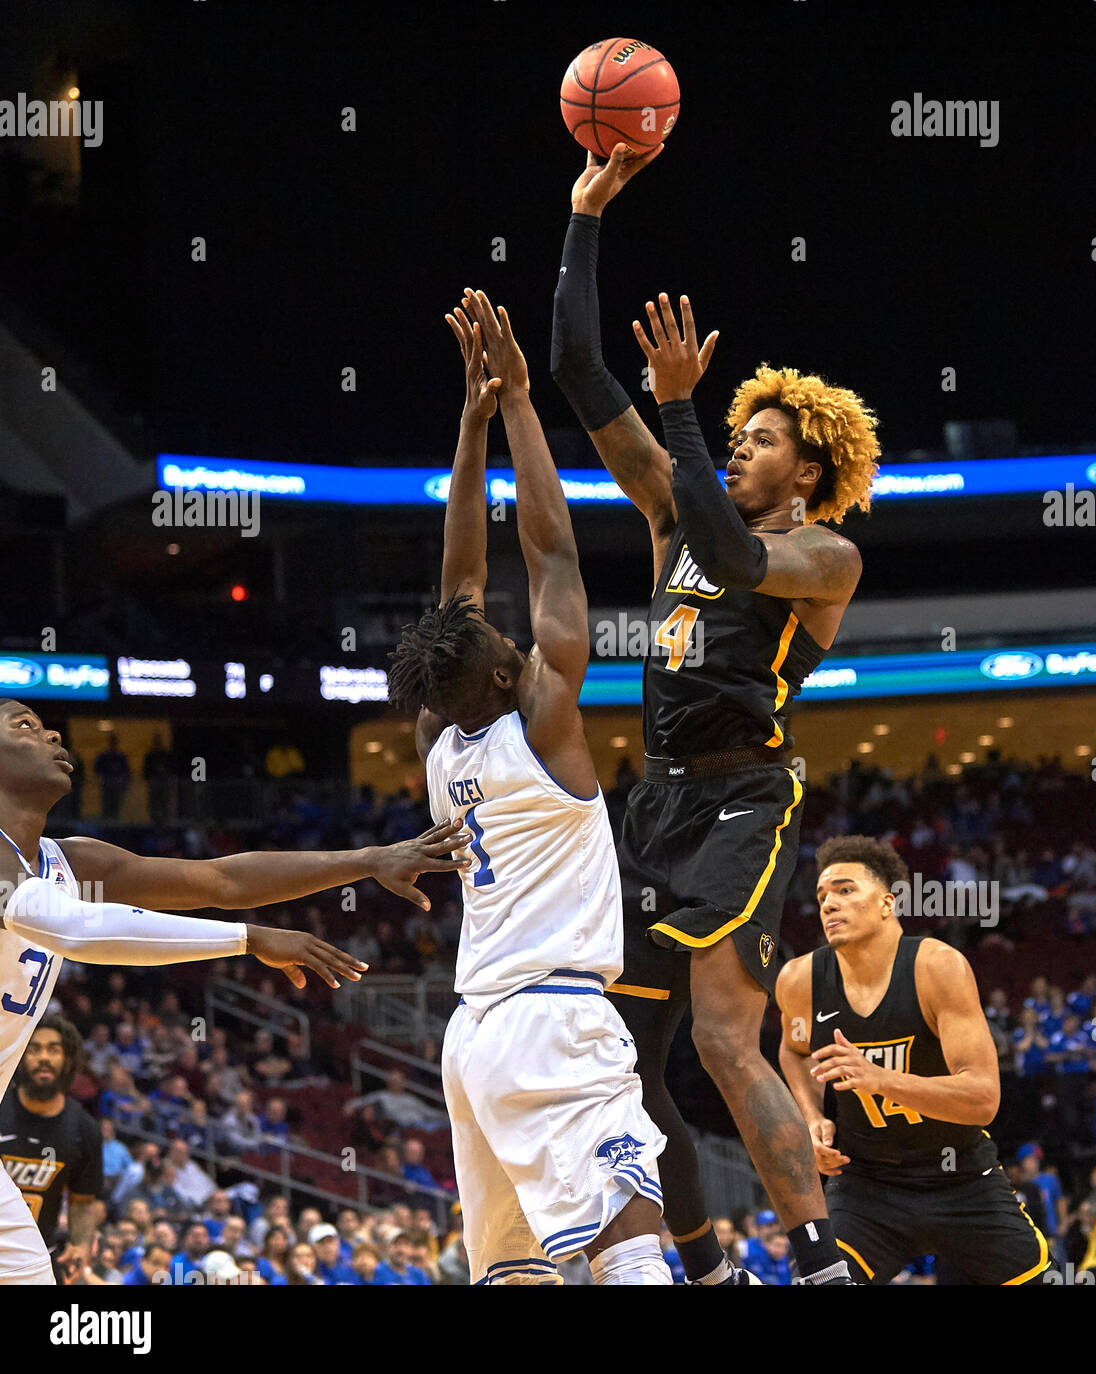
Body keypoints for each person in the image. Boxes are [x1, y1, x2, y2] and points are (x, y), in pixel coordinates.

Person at [552, 142, 880, 1288]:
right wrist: (586, 216)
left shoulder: (821, 554)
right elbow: (581, 368)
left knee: (719, 1036)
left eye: (763, 440)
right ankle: (700, 1267)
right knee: (617, 1062)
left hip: (746, 794)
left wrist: (685, 411)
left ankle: (820, 1259)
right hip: (653, 801)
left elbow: (737, 557)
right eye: (735, 434)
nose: (742, 445)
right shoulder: (667, 517)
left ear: (806, 473)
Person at [385, 290, 670, 1287]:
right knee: (632, 1236)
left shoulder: (438, 742)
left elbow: (456, 582)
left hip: (473, 1040)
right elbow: (550, 549)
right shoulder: (544, 723)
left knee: (511, 1273)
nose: (509, 628)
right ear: (508, 675)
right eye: (511, 642)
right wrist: (511, 406)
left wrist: (467, 425)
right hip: (553, 1019)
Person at [0, 697, 470, 1285]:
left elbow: (221, 879)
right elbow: (76, 928)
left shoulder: (71, 864)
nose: (50, 737)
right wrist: (248, 940)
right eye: (24, 727)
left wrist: (369, 859)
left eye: (49, 729)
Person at [776, 835, 1050, 1284]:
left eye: (845, 891)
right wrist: (810, 1118)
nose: (828, 904)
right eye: (823, 895)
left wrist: (878, 1078)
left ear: (888, 903)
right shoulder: (799, 979)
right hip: (865, 1184)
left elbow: (982, 1098)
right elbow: (793, 1048)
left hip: (962, 1177)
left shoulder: (937, 967)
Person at [0, 1014, 102, 1279]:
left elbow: (81, 1203)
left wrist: (80, 1245)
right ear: (20, 1056)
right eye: (33, 1049)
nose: (43, 1057)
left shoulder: (85, 1128)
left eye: (53, 1049)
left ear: (68, 1059)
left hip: (37, 1257)